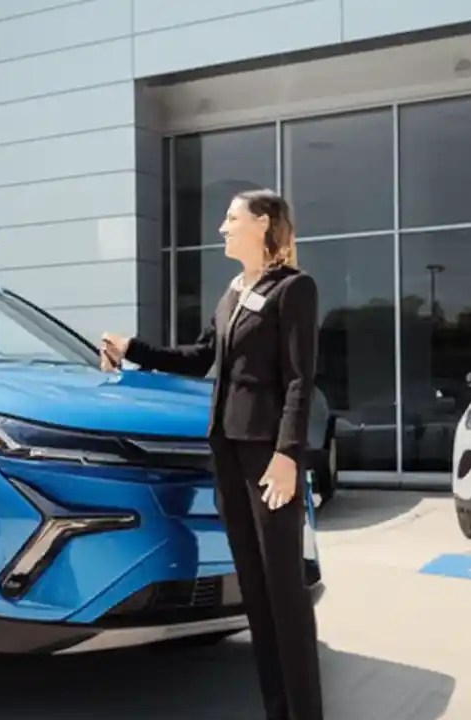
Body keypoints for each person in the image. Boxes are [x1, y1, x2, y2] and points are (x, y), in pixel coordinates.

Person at [99, 188, 323, 720]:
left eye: (231, 218)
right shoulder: (234, 293)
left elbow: (300, 379)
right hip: (226, 455)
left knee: (285, 595)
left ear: (263, 223)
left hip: (267, 458)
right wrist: (132, 348)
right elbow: (201, 357)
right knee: (256, 597)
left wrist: (288, 454)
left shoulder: (294, 289)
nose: (222, 227)